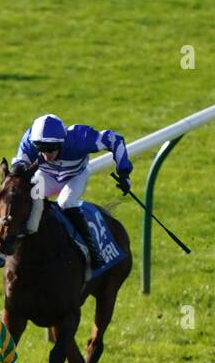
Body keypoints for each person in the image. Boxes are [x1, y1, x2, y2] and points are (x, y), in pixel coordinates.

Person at [9, 113, 133, 271]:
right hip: (46, 176)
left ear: (62, 141)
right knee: (29, 201)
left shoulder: (80, 138)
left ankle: (93, 252)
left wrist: (124, 173)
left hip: (75, 176)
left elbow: (114, 139)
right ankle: (9, 248)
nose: (47, 154)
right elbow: (19, 164)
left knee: (66, 203)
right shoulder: (29, 139)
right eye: (41, 148)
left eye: (52, 148)